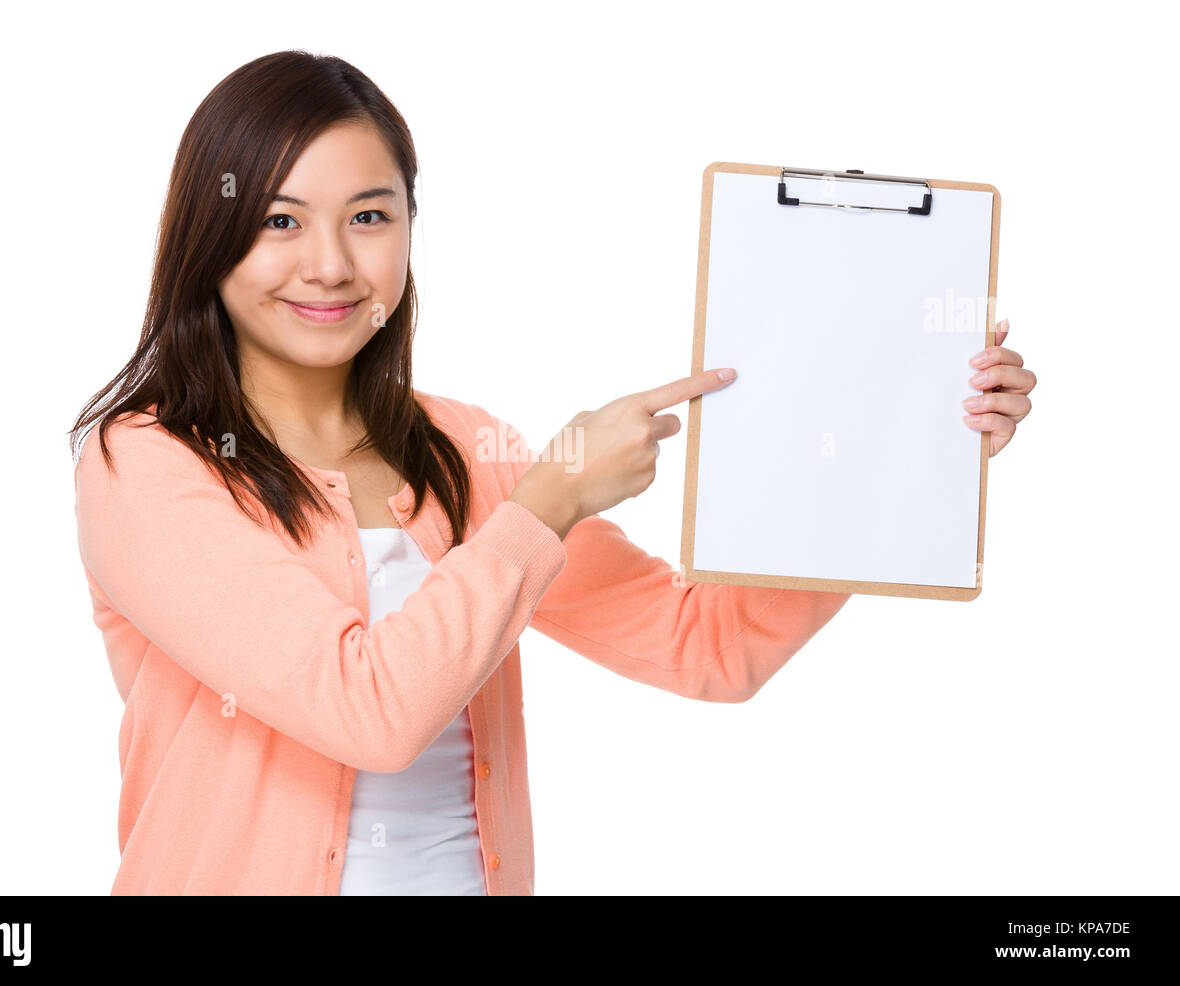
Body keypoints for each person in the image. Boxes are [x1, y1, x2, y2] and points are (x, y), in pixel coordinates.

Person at [69, 50, 1037, 895]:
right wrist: (550, 500)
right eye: (280, 220)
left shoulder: (460, 451)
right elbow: (364, 706)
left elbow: (702, 643)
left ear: (411, 223)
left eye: (369, 214)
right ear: (208, 231)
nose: (329, 263)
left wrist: (893, 449)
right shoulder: (146, 462)